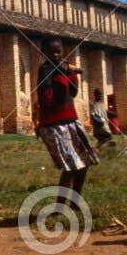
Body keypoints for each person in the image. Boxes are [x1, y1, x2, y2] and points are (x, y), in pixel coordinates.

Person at [33, 36, 97, 212]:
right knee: (70, 166)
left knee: (84, 163)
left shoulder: (66, 68)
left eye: (58, 51)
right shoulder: (45, 69)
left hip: (71, 121)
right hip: (54, 125)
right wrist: (58, 76)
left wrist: (68, 74)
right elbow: (46, 98)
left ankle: (75, 203)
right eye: (52, 51)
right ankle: (60, 207)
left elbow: (74, 92)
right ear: (44, 52)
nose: (56, 54)